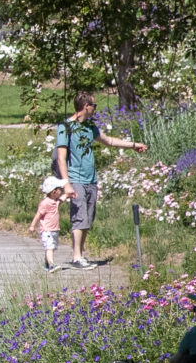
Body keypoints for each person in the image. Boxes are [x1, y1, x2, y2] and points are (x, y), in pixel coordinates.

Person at [50, 92, 148, 268]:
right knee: (79, 216)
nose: (95, 109)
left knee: (88, 217)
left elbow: (108, 140)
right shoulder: (66, 127)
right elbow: (61, 158)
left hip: (90, 179)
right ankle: (76, 257)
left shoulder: (89, 127)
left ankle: (80, 254)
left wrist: (133, 145)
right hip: (75, 178)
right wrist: (66, 184)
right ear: (85, 106)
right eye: (94, 106)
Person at [30, 176, 70, 270]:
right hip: (47, 230)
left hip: (54, 229)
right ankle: (51, 265)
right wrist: (32, 226)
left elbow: (60, 201)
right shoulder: (45, 203)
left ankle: (47, 264)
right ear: (54, 191)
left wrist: (67, 195)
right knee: (50, 247)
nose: (61, 191)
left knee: (51, 247)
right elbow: (38, 215)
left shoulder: (54, 201)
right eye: (60, 189)